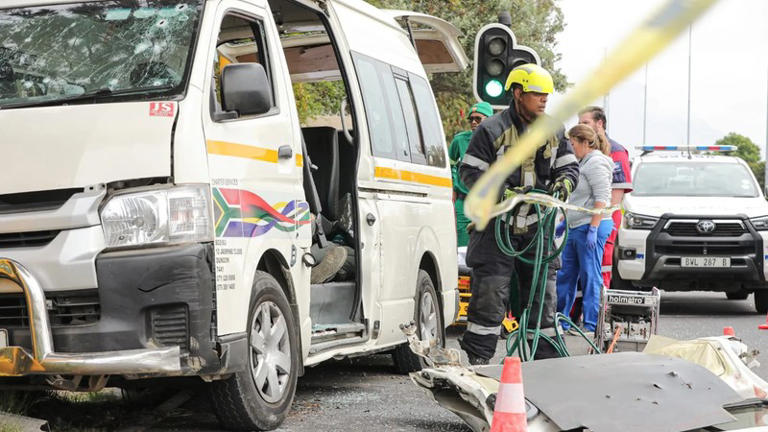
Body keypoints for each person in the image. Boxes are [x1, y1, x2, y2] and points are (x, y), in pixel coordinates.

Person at [458, 64, 579, 364]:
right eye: (537, 94)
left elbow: (569, 166)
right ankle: (479, 364)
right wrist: (501, 193)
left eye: (546, 95)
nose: (543, 100)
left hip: (538, 231)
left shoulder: (553, 130)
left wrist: (564, 184)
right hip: (496, 230)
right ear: (517, 93)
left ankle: (546, 367)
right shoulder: (491, 130)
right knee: (489, 296)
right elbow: (469, 172)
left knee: (543, 301)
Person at [555, 124, 614, 336]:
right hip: (575, 225)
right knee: (565, 274)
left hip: (591, 226)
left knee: (590, 274)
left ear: (584, 143)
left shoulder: (596, 163)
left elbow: (602, 198)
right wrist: (566, 221)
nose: (571, 148)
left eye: (573, 144)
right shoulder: (581, 162)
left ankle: (591, 324)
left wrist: (594, 228)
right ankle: (562, 320)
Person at [578, 106, 632, 289]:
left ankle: (600, 309)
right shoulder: (580, 150)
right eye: (579, 124)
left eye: (585, 123)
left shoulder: (615, 151)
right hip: (582, 217)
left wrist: (598, 222)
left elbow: (614, 197)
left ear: (599, 124)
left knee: (601, 265)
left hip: (603, 219)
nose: (581, 127)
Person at [450, 101, 493, 247]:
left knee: (486, 246)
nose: (474, 122)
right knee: (462, 246)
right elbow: (450, 165)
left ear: (489, 119)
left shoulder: (498, 140)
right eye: (471, 119)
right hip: (464, 203)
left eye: (478, 119)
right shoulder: (459, 140)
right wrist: (453, 187)